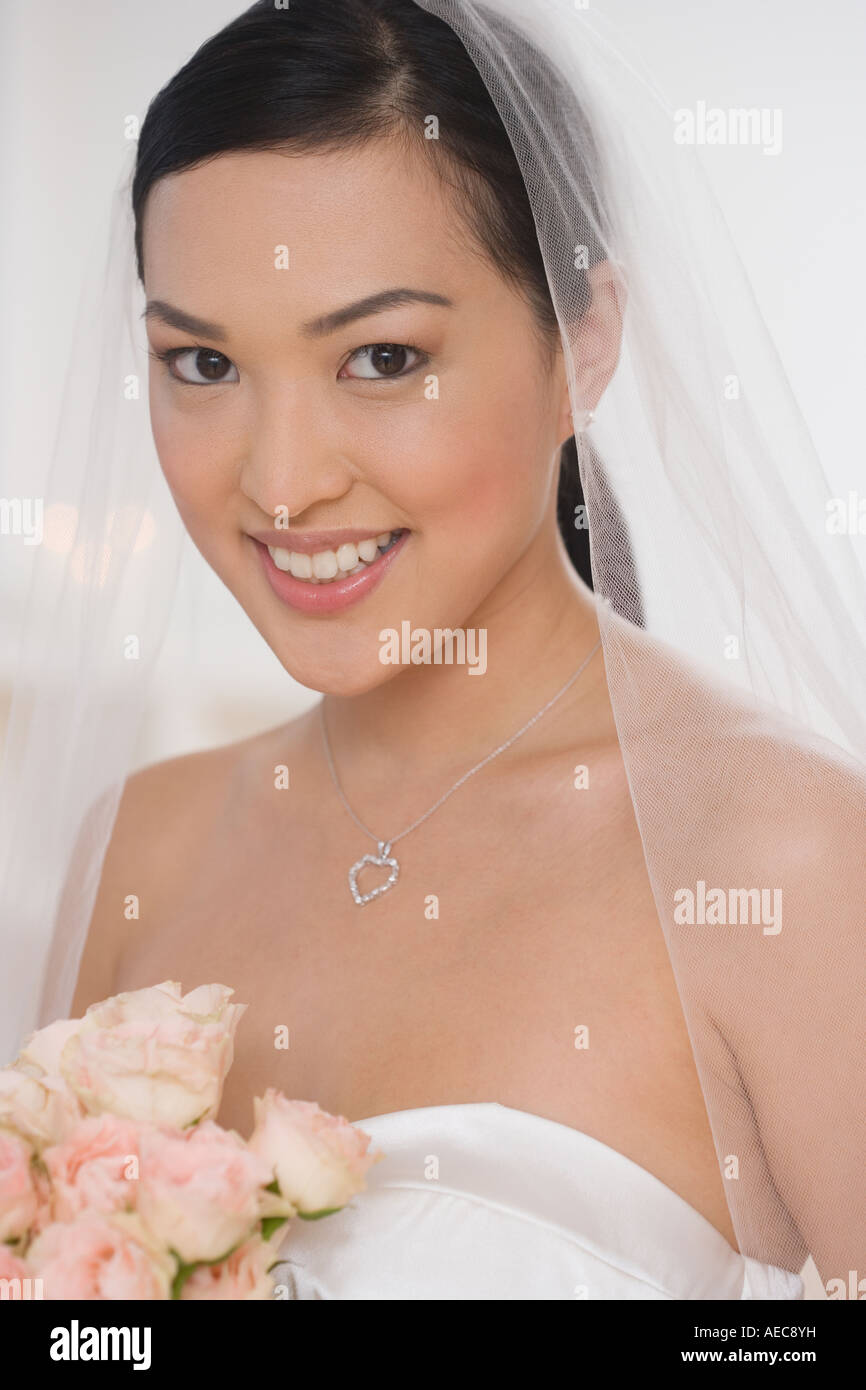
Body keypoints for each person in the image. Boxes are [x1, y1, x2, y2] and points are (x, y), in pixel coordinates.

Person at [9, 0, 865, 1299]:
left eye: (383, 355)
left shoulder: (784, 859)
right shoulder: (141, 841)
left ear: (582, 340)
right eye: (201, 362)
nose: (281, 485)